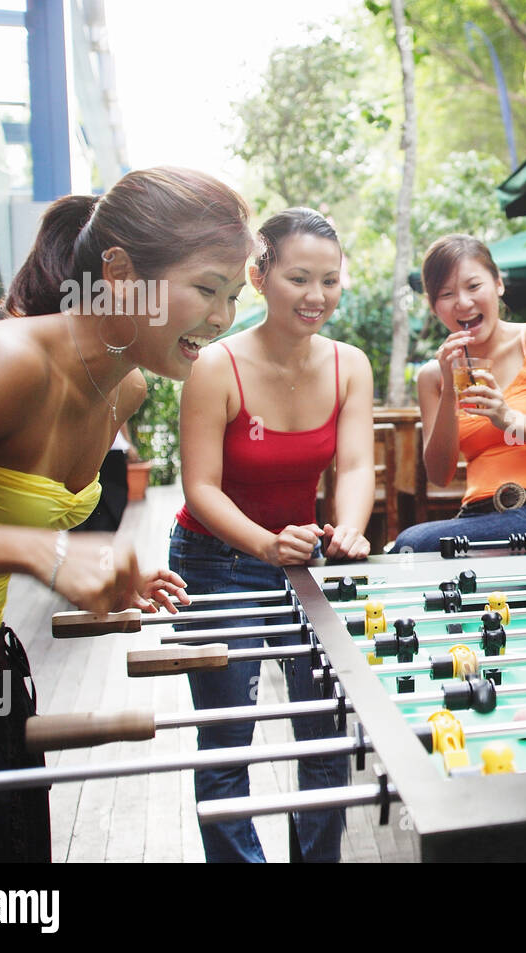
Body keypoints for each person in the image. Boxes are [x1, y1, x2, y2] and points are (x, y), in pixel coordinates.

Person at [0, 166, 253, 861]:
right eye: (207, 288)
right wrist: (41, 554)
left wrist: (108, 570)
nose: (222, 318)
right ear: (120, 271)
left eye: (235, 295)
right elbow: (20, 537)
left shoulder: (123, 388)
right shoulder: (4, 363)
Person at [172, 207, 373, 862]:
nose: (316, 297)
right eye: (298, 279)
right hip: (216, 559)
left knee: (323, 737)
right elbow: (199, 487)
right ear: (259, 277)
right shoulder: (215, 366)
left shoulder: (349, 365)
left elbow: (355, 465)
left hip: (304, 558)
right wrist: (261, 543)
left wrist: (348, 528)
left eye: (330, 281)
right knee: (228, 741)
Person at [391, 235, 526, 552]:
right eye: (446, 294)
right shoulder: (432, 376)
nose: (463, 302)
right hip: (476, 516)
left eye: (473, 286)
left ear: (498, 284)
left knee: (413, 544)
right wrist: (447, 389)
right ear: (434, 307)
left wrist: (508, 418)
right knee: (410, 547)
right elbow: (439, 475)